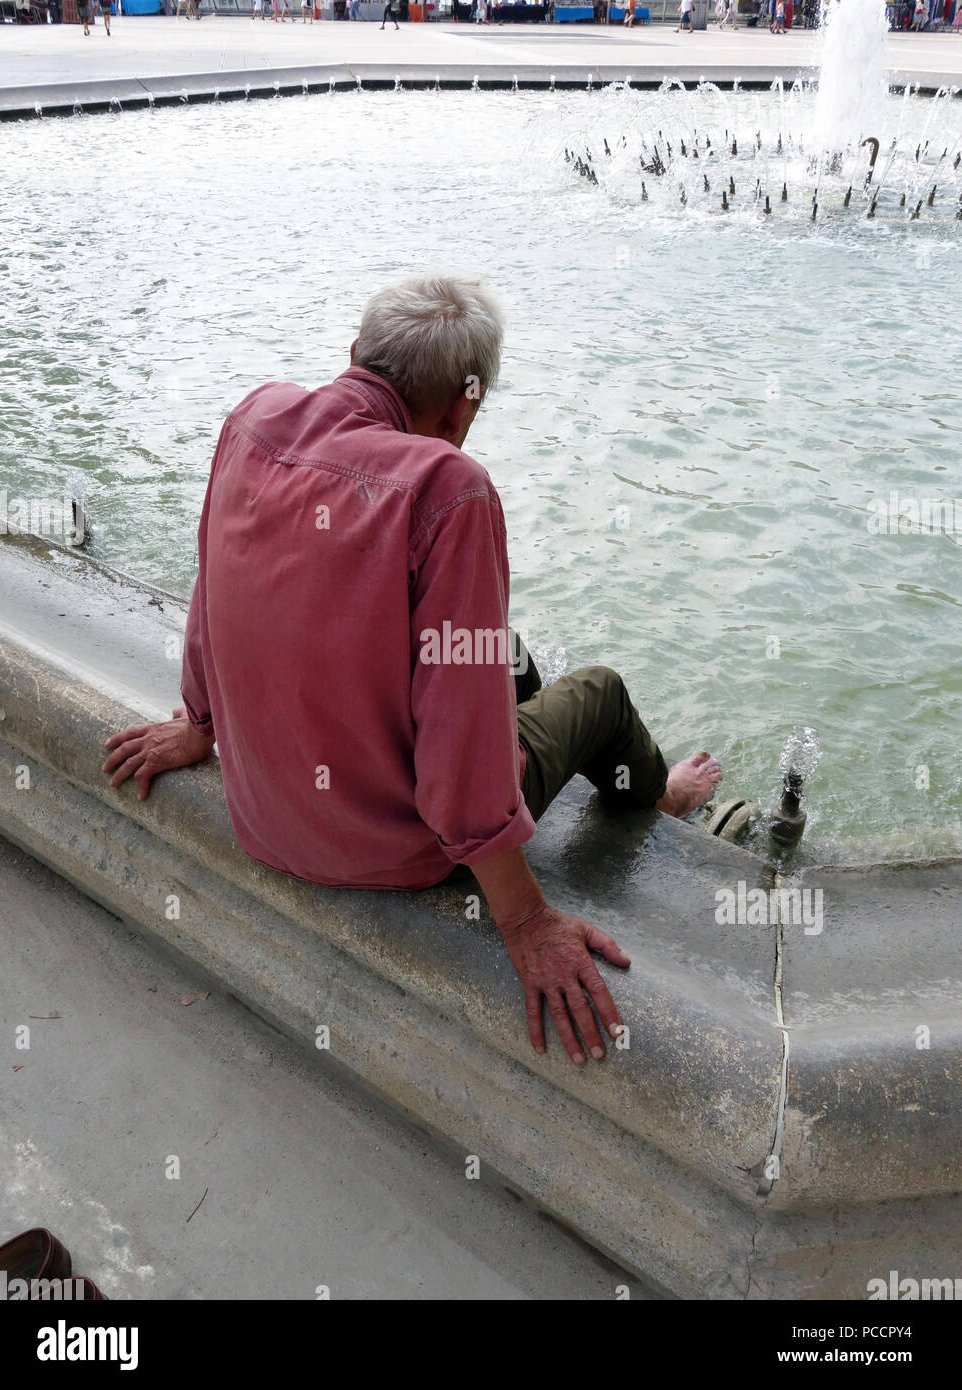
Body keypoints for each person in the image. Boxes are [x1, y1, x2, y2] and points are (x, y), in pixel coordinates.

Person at [102, 276, 723, 1066]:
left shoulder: (252, 420)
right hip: (392, 844)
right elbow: (462, 758)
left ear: (356, 355)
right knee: (597, 691)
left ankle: (530, 698)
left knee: (499, 650)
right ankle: (658, 795)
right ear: (465, 405)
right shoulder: (447, 487)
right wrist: (527, 923)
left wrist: (198, 723)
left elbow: (215, 583)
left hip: (262, 813)